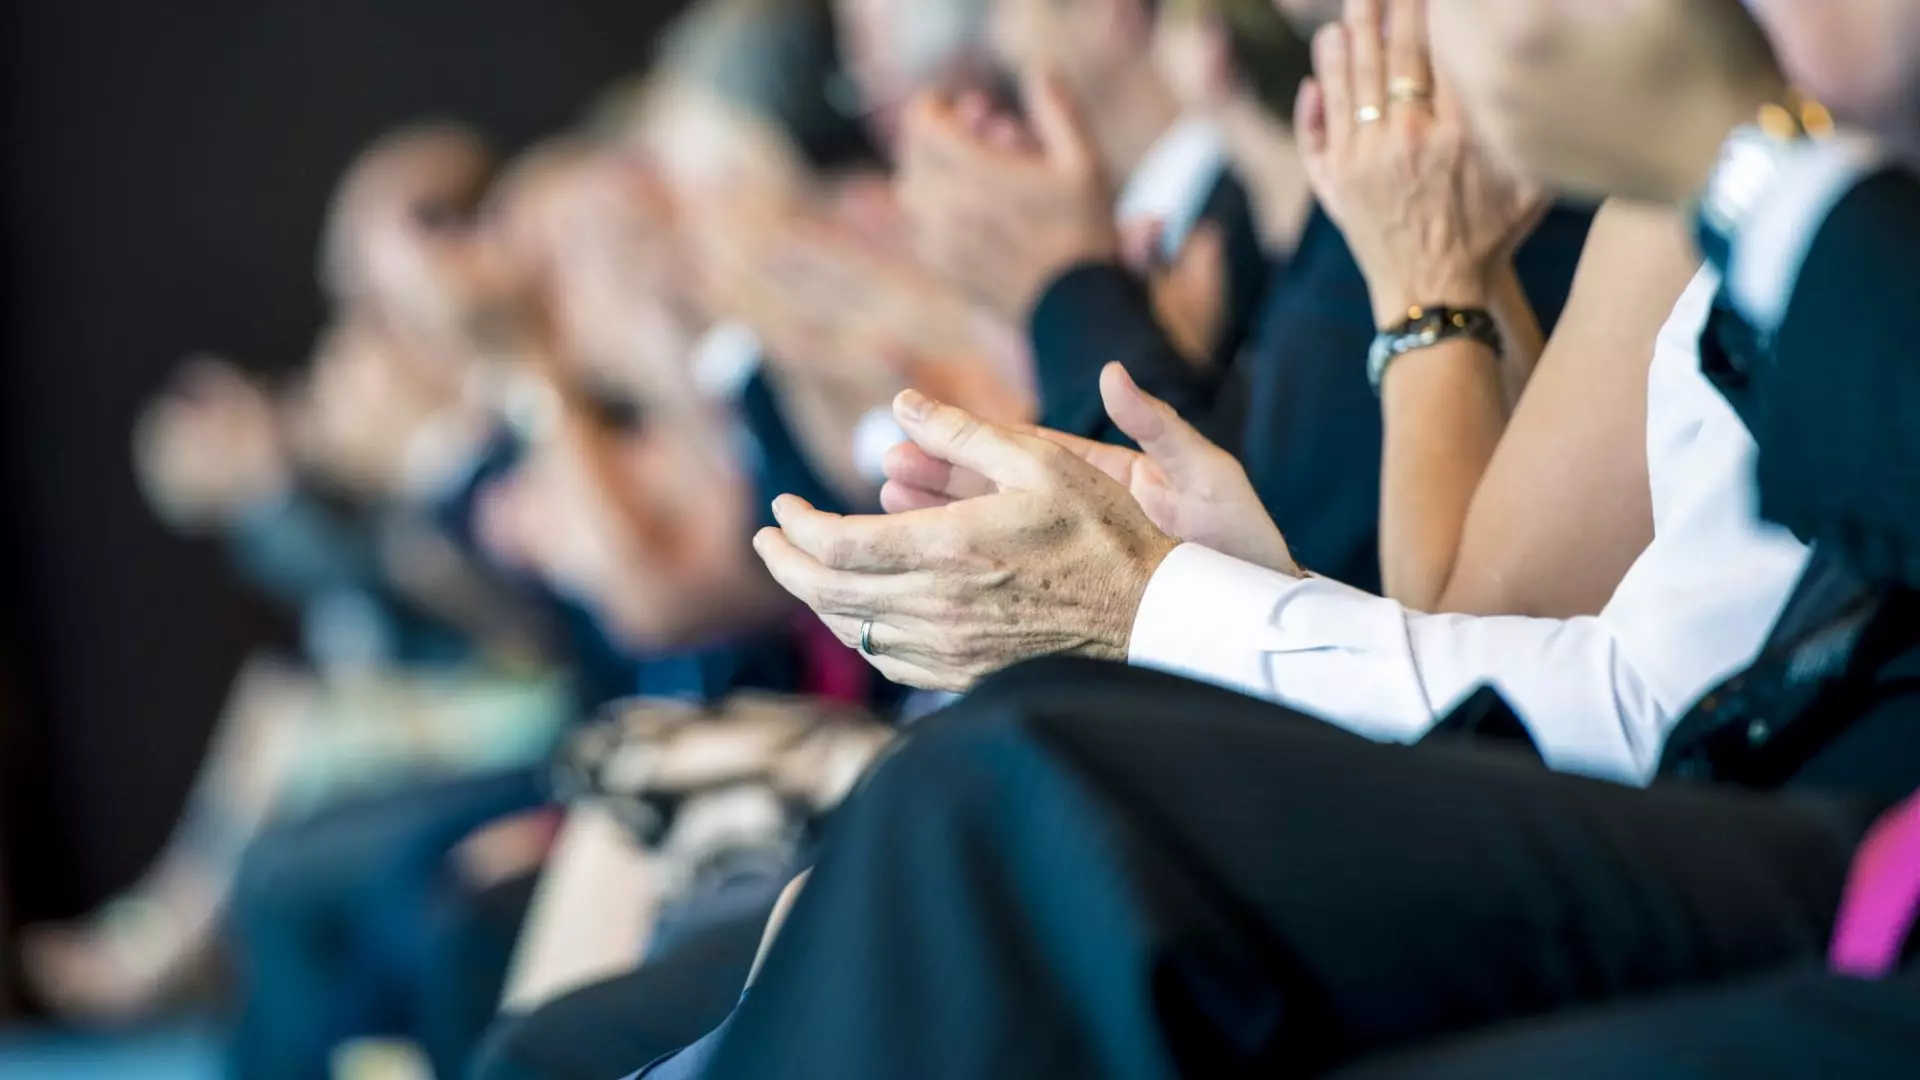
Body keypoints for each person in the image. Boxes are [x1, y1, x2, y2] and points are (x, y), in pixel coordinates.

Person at [680, 0, 1920, 1076]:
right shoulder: (1646, 153)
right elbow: (1601, 672)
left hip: (1822, 861)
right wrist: (1234, 577)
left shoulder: (1677, 140)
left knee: (993, 797)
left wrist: (1162, 575)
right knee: (951, 820)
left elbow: (1503, 620)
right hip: (1724, 808)